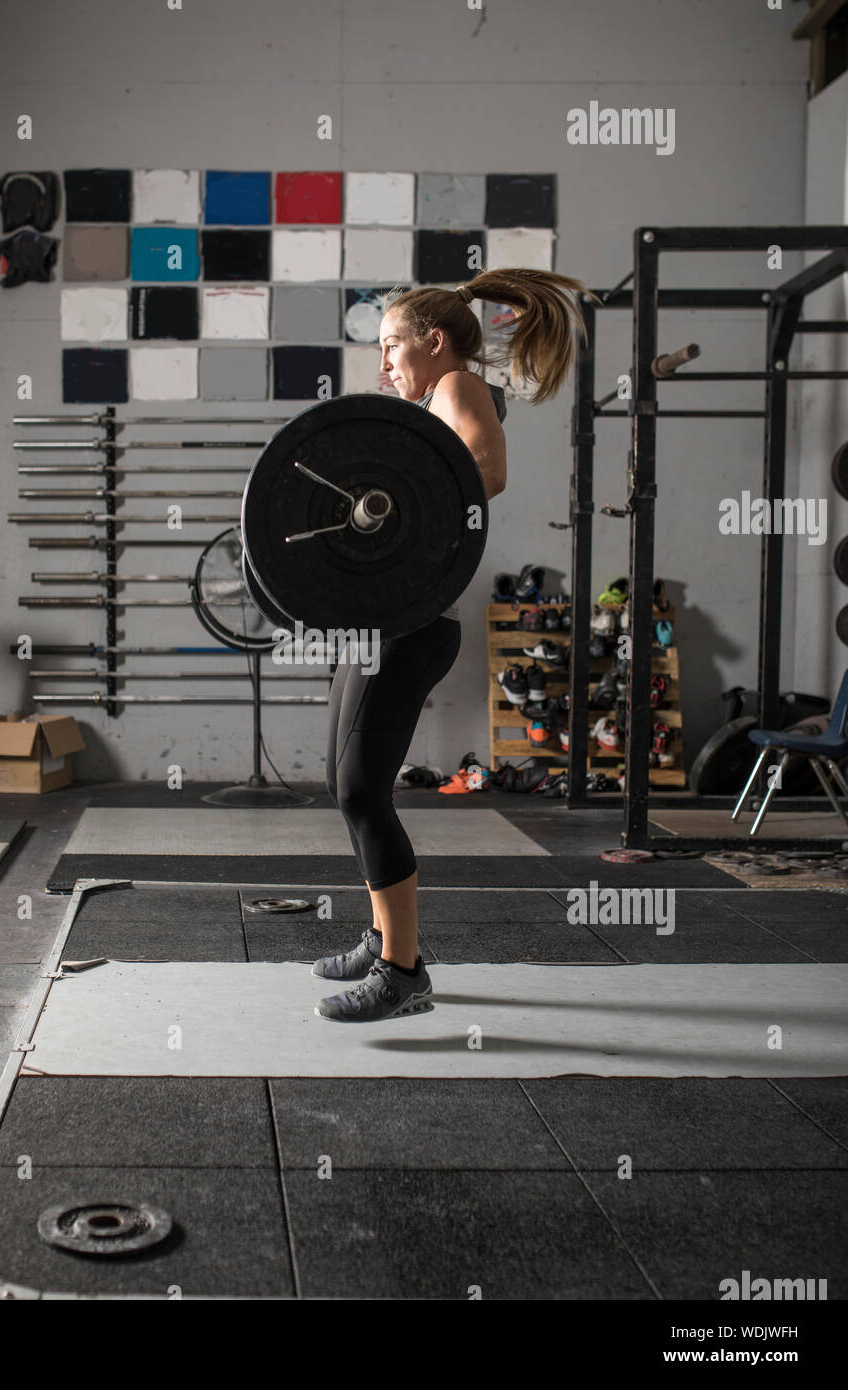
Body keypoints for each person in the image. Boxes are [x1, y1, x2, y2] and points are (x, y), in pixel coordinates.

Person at [314, 267, 594, 1022]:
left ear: (433, 343)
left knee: (361, 789)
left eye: (390, 346)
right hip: (382, 617)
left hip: (412, 622)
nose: (382, 365)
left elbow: (490, 472)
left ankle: (404, 973)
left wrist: (394, 496)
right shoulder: (426, 407)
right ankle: (382, 938)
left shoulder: (456, 390)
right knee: (339, 778)